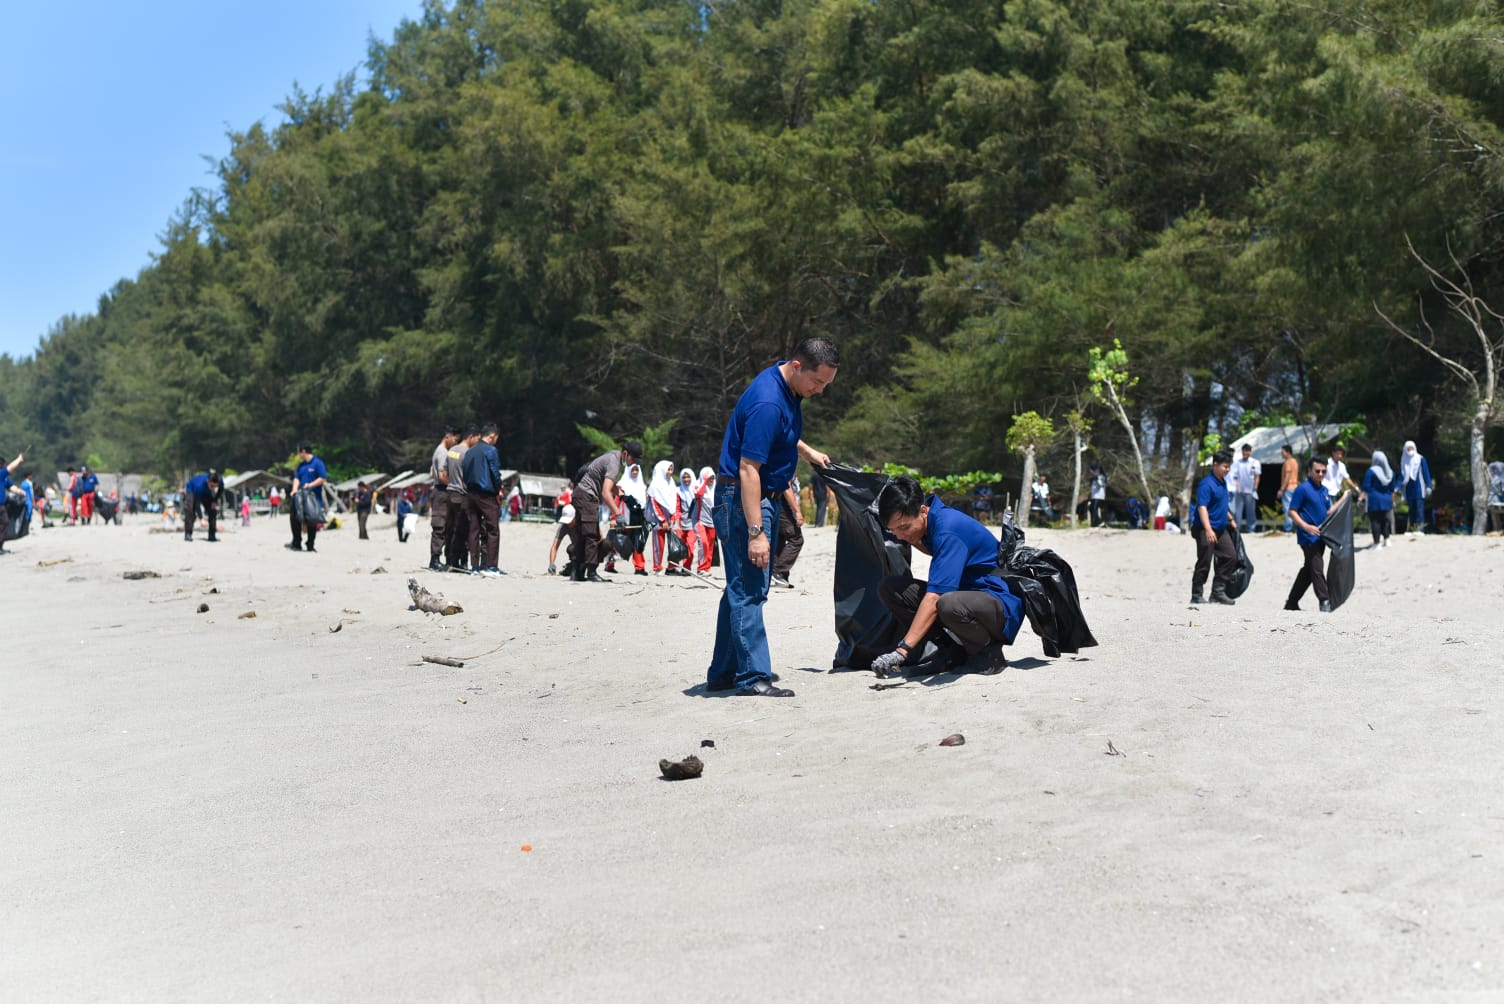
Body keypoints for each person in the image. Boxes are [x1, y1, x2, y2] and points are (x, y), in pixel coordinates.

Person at [705, 337, 838, 697]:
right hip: (744, 499)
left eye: (826, 384)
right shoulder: (768, 400)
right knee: (749, 589)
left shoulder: (785, 386)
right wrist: (756, 533)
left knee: (740, 586)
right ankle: (752, 677)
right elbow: (749, 469)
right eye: (818, 382)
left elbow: (777, 433)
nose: (820, 390)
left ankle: (723, 672)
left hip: (758, 496)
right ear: (797, 366)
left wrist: (806, 451)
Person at [870, 474, 1024, 677]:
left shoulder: (948, 529)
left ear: (923, 510)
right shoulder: (931, 520)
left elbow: (935, 596)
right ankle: (950, 652)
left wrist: (902, 651)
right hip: (969, 595)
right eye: (893, 530)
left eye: (904, 527)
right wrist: (912, 537)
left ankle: (988, 655)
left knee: (946, 603)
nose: (899, 535)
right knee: (891, 589)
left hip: (1000, 601)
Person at [568, 440, 642, 583]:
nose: (633, 463)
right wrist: (618, 514)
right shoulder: (614, 463)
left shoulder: (612, 456)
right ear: (625, 453)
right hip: (587, 496)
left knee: (583, 535)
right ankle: (591, 572)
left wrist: (623, 496)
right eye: (633, 459)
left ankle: (576, 571)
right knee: (593, 536)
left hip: (580, 494)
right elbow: (606, 492)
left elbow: (609, 485)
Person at [1190, 450, 1238, 606]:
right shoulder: (1207, 484)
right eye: (1225, 466)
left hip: (1220, 528)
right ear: (1215, 465)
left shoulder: (1223, 482)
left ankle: (1218, 592)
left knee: (1230, 556)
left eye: (1229, 467)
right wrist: (1208, 529)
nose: (1227, 470)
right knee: (1205, 560)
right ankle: (1196, 595)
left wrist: (1230, 518)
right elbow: (1202, 507)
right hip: (1204, 529)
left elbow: (1221, 504)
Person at [1286, 457, 1333, 612]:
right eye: (1317, 471)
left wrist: (1344, 499)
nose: (1320, 474)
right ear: (1309, 471)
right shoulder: (1303, 489)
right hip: (1308, 537)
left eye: (1324, 471)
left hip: (1321, 537)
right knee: (1317, 567)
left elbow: (1329, 512)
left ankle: (1291, 602)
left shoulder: (1324, 490)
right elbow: (1292, 511)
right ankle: (1324, 600)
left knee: (1309, 569)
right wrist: (1305, 526)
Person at [460, 422, 504, 577]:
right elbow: (495, 472)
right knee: (493, 529)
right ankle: (491, 566)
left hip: (471, 493)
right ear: (492, 436)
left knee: (474, 530)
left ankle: (474, 566)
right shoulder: (491, 450)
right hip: (486, 494)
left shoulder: (470, 451)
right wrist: (498, 488)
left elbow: (464, 472)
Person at [427, 425, 461, 571]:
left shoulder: (440, 451)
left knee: (446, 526)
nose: (455, 443)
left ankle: (442, 559)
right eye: (455, 439)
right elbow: (442, 476)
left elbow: (431, 473)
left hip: (441, 491)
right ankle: (435, 560)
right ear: (448, 436)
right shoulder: (442, 453)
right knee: (440, 526)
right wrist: (454, 484)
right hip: (442, 492)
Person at [444, 426, 479, 571]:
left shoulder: (451, 450)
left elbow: (444, 473)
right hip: (462, 495)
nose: (477, 442)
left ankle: (449, 560)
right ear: (471, 437)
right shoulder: (468, 453)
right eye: (477, 439)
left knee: (450, 529)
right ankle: (462, 561)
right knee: (464, 530)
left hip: (449, 493)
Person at [288, 443, 328, 552]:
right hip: (300, 497)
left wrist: (310, 485)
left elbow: (322, 478)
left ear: (303, 451)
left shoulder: (318, 463)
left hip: (313, 498)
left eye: (299, 452)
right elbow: (297, 478)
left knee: (311, 520)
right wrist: (294, 489)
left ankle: (310, 544)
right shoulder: (301, 466)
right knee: (294, 518)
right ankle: (296, 542)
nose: (298, 454)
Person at [646, 459, 681, 574]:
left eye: (671, 469)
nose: (670, 472)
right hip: (658, 519)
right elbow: (655, 505)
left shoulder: (672, 484)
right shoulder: (654, 486)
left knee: (674, 542)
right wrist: (663, 520)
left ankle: (672, 567)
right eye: (668, 469)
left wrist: (673, 518)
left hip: (671, 519)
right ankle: (657, 567)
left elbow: (676, 501)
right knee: (658, 544)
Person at [771, 477, 804, 589]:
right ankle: (778, 571)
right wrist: (797, 511)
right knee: (796, 539)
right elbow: (786, 486)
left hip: (774, 500)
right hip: (782, 504)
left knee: (780, 538)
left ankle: (781, 577)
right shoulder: (789, 465)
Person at [1362, 449, 1398, 548]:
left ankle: (1377, 543)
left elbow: (1366, 486)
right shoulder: (1390, 473)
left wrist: (1361, 498)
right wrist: (1392, 501)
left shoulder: (1371, 471)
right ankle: (1387, 539)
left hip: (1374, 500)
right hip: (1387, 500)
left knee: (1375, 521)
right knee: (1386, 521)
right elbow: (1392, 489)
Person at [617, 464, 648, 575]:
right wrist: (614, 516)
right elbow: (616, 501)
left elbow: (644, 503)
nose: (635, 472)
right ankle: (609, 564)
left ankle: (639, 567)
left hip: (638, 516)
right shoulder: (621, 485)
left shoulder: (642, 486)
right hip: (625, 515)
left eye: (637, 470)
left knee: (637, 540)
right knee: (619, 540)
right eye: (633, 470)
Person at [1399, 440, 1433, 534]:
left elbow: (1426, 473)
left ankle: (1420, 529)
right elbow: (1402, 476)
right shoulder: (1404, 461)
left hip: (1419, 488)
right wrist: (1397, 487)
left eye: (1412, 448)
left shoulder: (1420, 459)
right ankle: (1412, 529)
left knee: (1419, 509)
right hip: (1409, 489)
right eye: (1408, 449)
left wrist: (1429, 485)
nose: (1410, 450)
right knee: (1411, 510)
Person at [183, 470, 224, 542]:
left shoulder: (220, 480)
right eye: (212, 486)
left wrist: (214, 501)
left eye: (215, 486)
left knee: (213, 510)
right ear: (207, 481)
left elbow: (221, 490)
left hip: (206, 492)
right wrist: (201, 518)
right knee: (190, 510)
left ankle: (212, 535)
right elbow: (197, 503)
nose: (213, 488)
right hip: (192, 490)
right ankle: (188, 534)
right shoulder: (199, 486)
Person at [1230, 442, 1261, 532]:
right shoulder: (1237, 462)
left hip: (1250, 490)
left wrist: (1255, 488)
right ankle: (1237, 528)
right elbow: (1234, 476)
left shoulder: (1255, 462)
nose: (1245, 453)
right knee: (1238, 512)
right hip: (1239, 490)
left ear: (1250, 452)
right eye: (1244, 451)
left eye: (1247, 451)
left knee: (1250, 511)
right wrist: (1237, 486)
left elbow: (1257, 476)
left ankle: (1251, 528)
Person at [675, 466, 699, 574]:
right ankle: (676, 567)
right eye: (684, 477)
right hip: (681, 523)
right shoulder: (679, 491)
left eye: (688, 477)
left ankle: (686, 567)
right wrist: (677, 520)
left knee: (690, 544)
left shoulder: (696, 491)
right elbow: (677, 507)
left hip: (693, 523)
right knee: (681, 546)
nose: (686, 479)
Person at [693, 467, 717, 574]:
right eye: (709, 478)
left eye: (712, 478)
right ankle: (701, 568)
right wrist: (704, 481)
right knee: (703, 543)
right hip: (700, 521)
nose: (711, 480)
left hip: (712, 522)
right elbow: (698, 494)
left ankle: (707, 568)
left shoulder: (715, 488)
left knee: (711, 546)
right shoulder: (698, 485)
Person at [0, 450, 23, 551]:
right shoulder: (1, 473)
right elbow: (11, 467)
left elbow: (11, 487)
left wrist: (20, 491)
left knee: (4, 523)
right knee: (5, 522)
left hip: (2, 505)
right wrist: (19, 459)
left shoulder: (3, 477)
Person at [548, 503, 575, 574]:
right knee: (571, 549)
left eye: (569, 521)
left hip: (586, 551)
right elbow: (554, 546)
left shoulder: (582, 525)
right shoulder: (564, 526)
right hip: (576, 550)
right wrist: (551, 564)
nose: (568, 523)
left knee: (573, 548)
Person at [1279, 444, 1299, 532]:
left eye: (1282, 452)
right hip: (1295, 486)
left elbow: (1287, 476)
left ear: (1287, 452)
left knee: (1287, 508)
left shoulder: (1287, 462)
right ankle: (1295, 526)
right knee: (1295, 508)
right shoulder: (1295, 461)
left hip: (1288, 488)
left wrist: (1281, 489)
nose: (1281, 454)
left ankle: (1288, 527)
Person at [1087, 460, 1107, 527]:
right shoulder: (1094, 478)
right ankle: (1097, 522)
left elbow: (1101, 484)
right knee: (1091, 508)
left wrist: (1094, 475)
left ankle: (1098, 522)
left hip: (1099, 496)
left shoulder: (1101, 476)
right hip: (1094, 496)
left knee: (1093, 509)